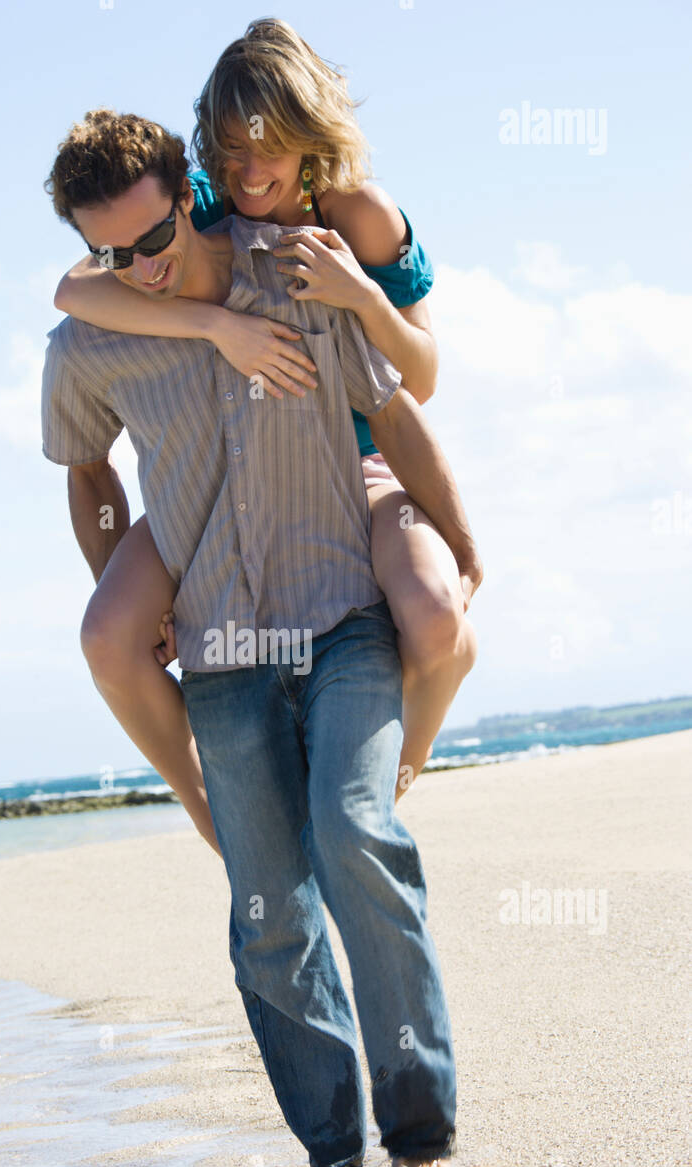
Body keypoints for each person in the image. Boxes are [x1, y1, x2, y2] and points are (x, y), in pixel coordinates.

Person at [42, 109, 481, 1167]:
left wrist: (465, 545)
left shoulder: (287, 269)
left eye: (153, 241)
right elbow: (87, 470)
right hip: (221, 641)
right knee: (267, 912)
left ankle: (420, 1132)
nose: (137, 269)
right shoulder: (86, 342)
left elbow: (396, 400)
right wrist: (116, 580)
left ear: (186, 193)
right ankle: (332, 1150)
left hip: (341, 610)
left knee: (354, 829)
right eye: (111, 254)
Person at [52, 19, 480, 859]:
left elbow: (420, 381)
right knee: (109, 634)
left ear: (307, 137)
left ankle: (404, 766)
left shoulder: (358, 212)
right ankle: (206, 802)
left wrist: (359, 295)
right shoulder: (198, 204)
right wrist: (218, 327)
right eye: (228, 151)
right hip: (219, 473)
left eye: (269, 149)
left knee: (435, 614)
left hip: (356, 460)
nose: (248, 173)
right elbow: (75, 288)